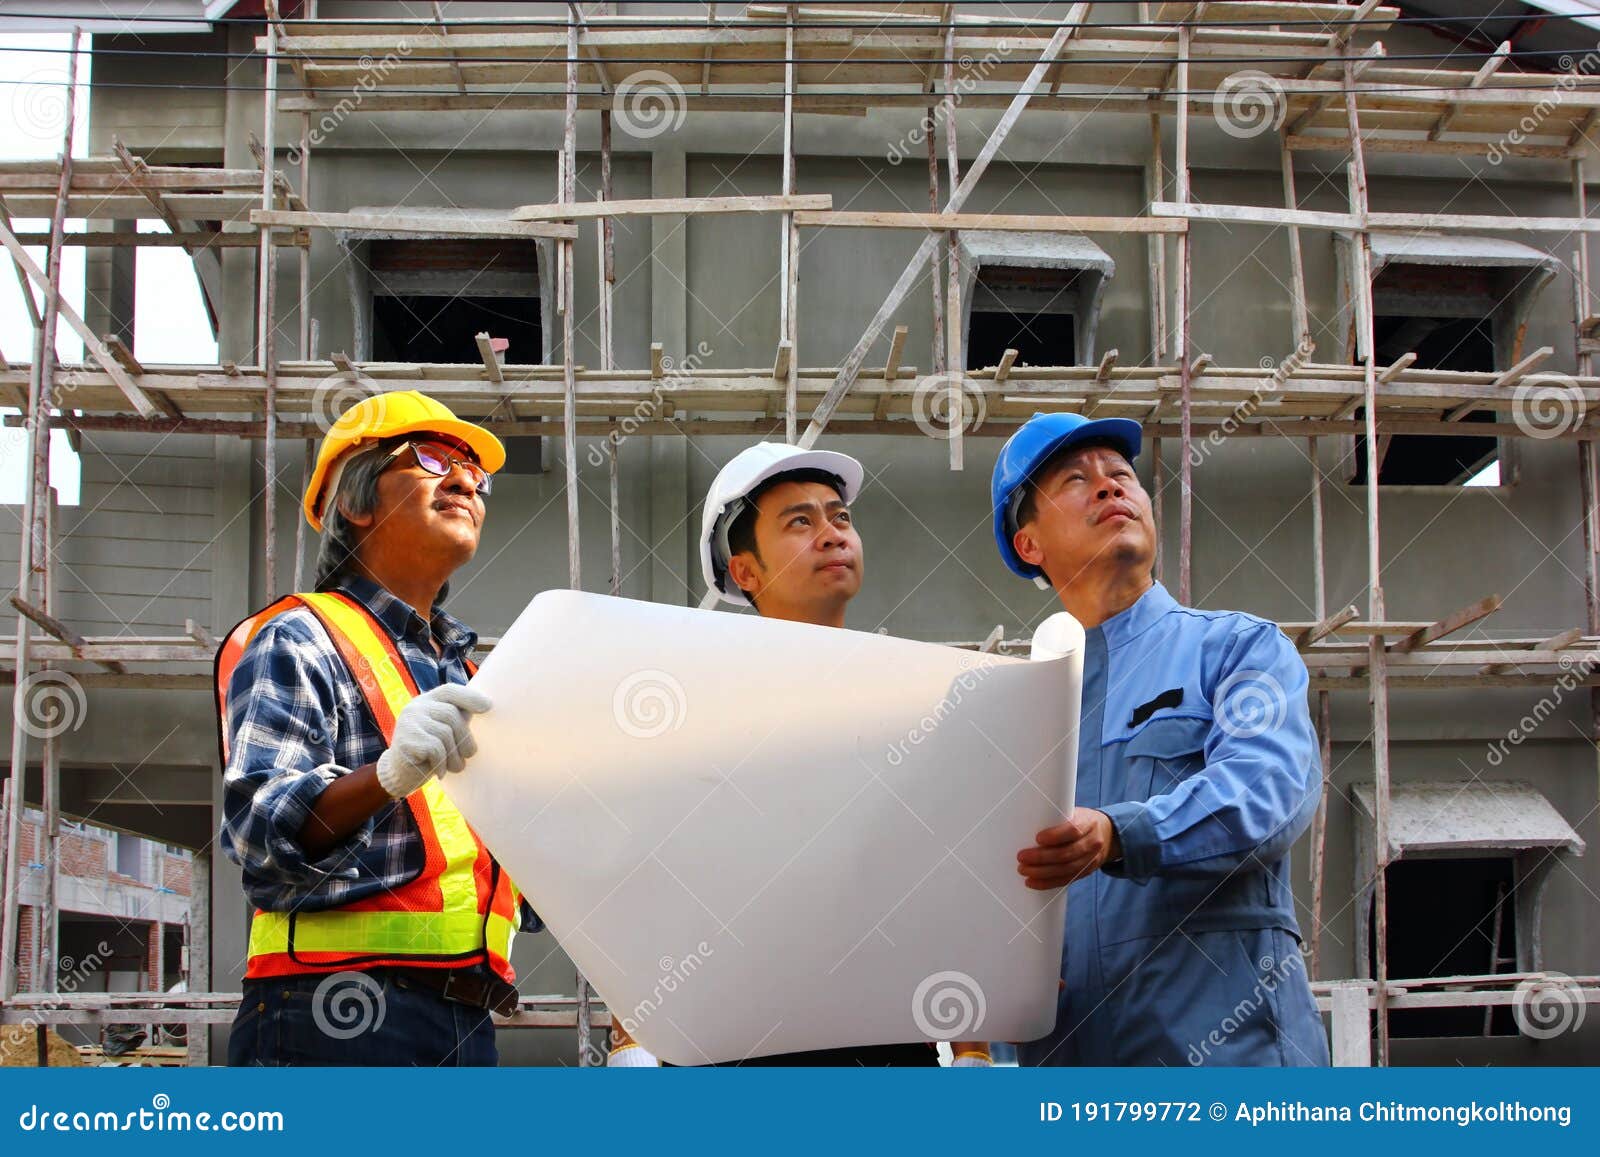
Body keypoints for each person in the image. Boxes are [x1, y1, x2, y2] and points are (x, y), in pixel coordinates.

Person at [605, 442, 989, 1068]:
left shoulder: (912, 705)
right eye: (800, 522)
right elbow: (646, 881)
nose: (833, 534)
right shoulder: (694, 710)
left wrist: (973, 1048)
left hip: (879, 1048)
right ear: (746, 572)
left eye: (840, 517)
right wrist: (630, 1040)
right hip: (726, 1050)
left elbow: (949, 874)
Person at [995, 412, 1328, 1066]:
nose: (1110, 487)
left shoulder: (1235, 649)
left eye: (1121, 476)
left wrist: (1122, 833)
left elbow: (1269, 790)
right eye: (1075, 480)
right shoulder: (1018, 707)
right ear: (1029, 543)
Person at [218, 390, 536, 1066]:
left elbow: (508, 882)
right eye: (429, 459)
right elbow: (257, 831)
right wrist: (385, 777)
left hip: (466, 1021)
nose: (464, 481)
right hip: (330, 1019)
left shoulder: (468, 675)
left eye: (476, 475)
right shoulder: (300, 635)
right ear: (356, 503)